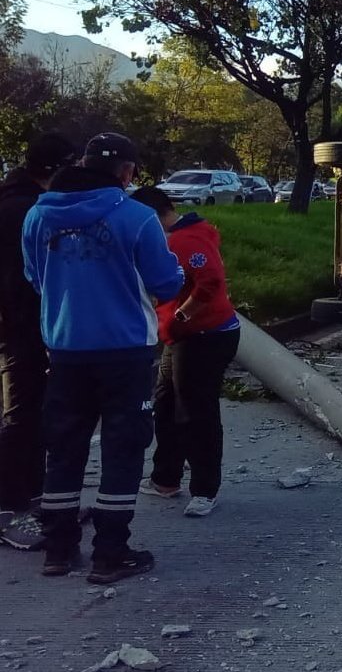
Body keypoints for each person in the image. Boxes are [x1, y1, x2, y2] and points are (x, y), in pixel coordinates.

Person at [22, 133, 184, 582]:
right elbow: (166, 283)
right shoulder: (137, 217)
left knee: (64, 447)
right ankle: (110, 554)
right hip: (125, 351)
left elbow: (35, 277)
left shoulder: (38, 215)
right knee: (123, 448)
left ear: (84, 163)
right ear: (127, 172)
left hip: (65, 348)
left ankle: (58, 550)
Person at [131, 186, 240, 518]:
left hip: (204, 336)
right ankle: (166, 478)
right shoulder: (185, 234)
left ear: (152, 217)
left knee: (196, 412)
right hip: (181, 336)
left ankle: (205, 489)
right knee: (166, 403)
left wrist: (181, 315)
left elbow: (211, 283)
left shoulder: (185, 240)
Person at [0, 133, 77, 550]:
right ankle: (8, 508)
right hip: (19, 325)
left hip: (22, 323)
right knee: (22, 413)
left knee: (33, 413)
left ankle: (33, 497)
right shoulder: (25, 210)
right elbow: (26, 276)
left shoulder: (17, 200)